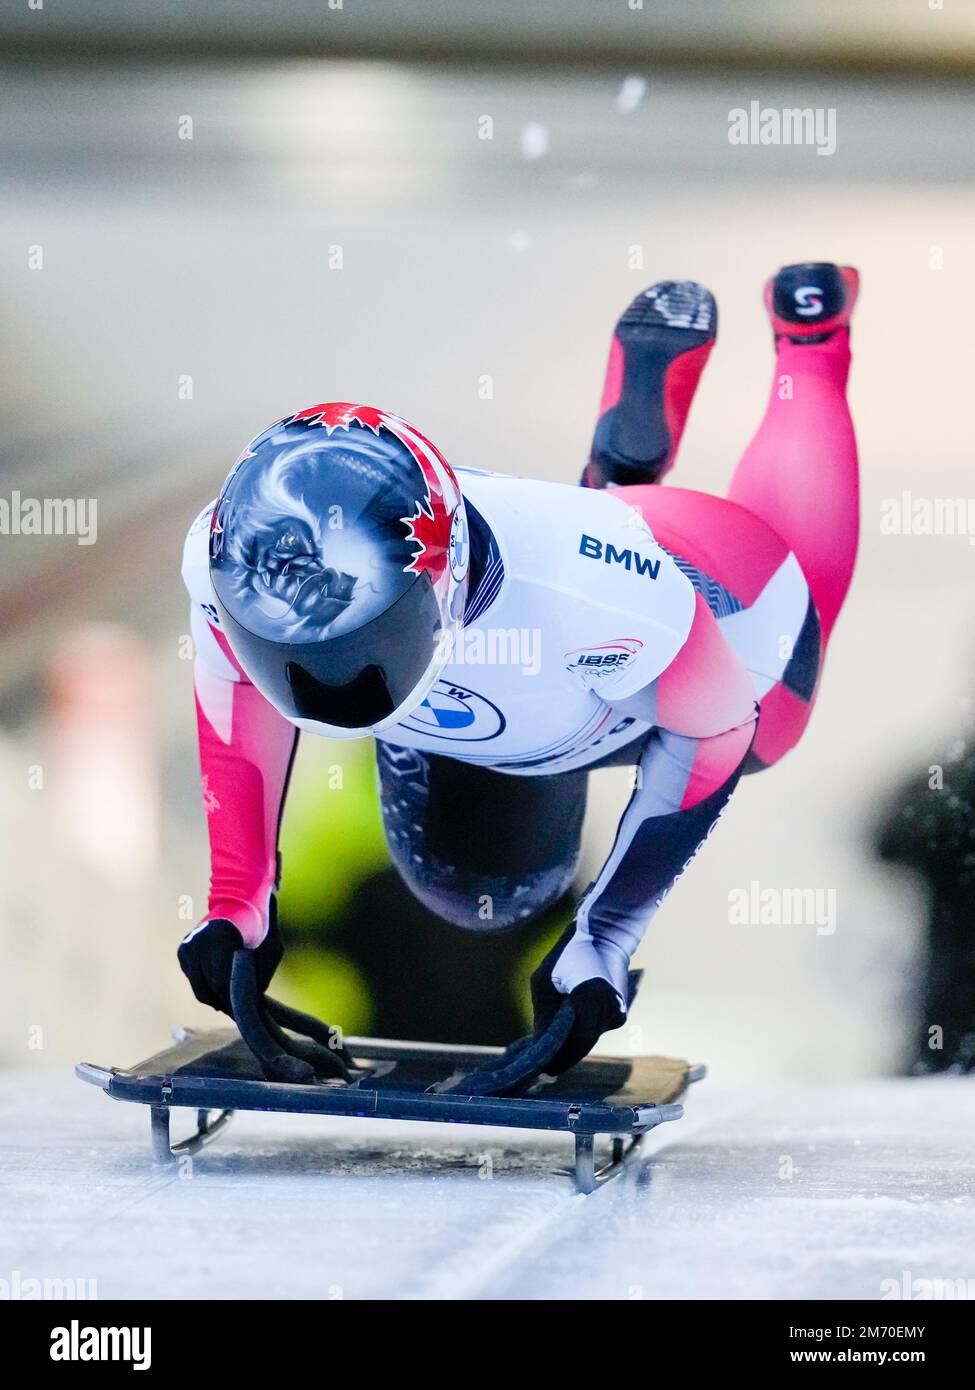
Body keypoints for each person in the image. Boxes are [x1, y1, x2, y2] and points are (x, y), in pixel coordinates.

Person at [178, 262, 860, 1085]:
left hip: (687, 608)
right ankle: (617, 480)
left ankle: (808, 344)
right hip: (545, 681)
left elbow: (715, 730)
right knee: (473, 895)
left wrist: (605, 936)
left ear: (443, 589)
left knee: (778, 694)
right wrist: (235, 904)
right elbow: (238, 688)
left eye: (360, 650)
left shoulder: (597, 595)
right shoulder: (225, 552)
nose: (325, 685)